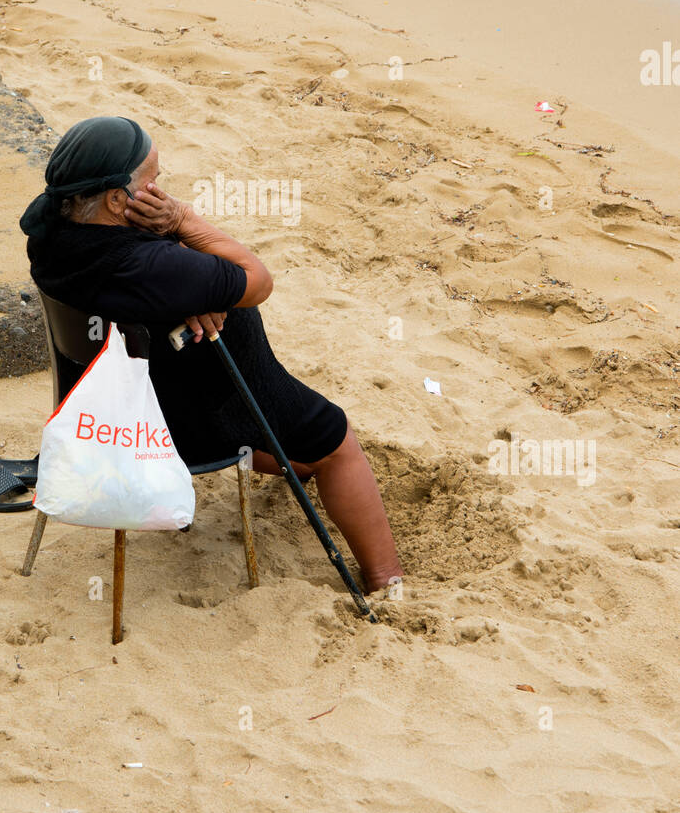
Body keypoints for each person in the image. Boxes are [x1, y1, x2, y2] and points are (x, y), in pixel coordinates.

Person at [20, 115, 403, 594]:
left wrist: (191, 293)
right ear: (119, 199)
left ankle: (292, 460)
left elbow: (153, 274)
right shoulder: (157, 268)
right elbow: (258, 280)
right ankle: (386, 577)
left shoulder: (52, 234)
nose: (161, 189)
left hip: (107, 409)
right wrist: (182, 222)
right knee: (335, 437)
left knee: (296, 446)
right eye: (153, 181)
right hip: (189, 421)